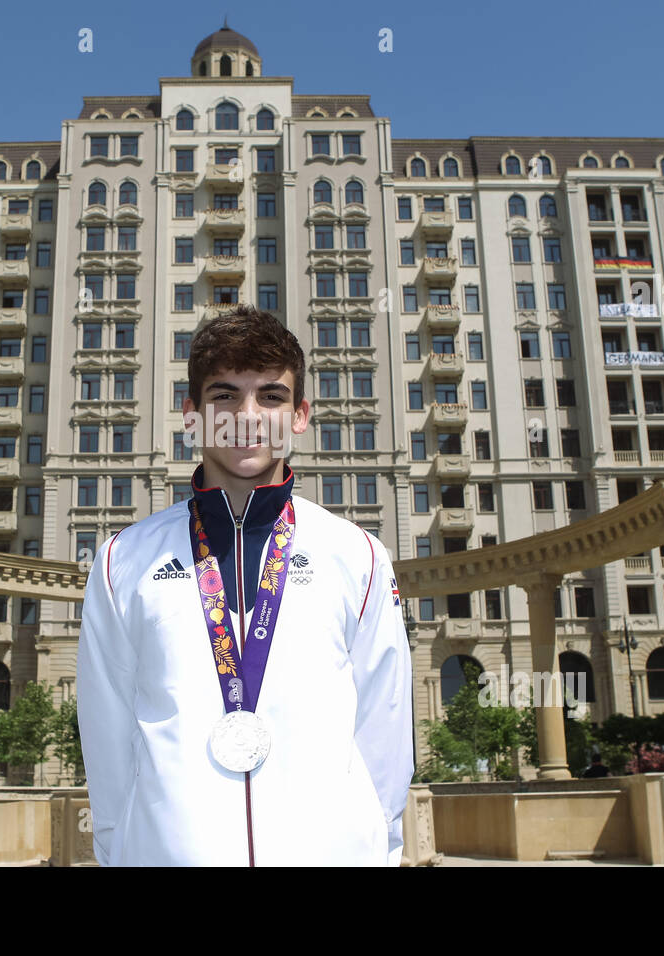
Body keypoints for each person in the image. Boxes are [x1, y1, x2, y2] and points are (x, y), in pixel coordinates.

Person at [78, 305, 414, 866]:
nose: (247, 416)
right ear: (192, 415)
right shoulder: (122, 561)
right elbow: (108, 743)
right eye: (225, 395)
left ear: (300, 415)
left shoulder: (357, 555)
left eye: (272, 397)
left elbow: (385, 730)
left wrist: (377, 853)